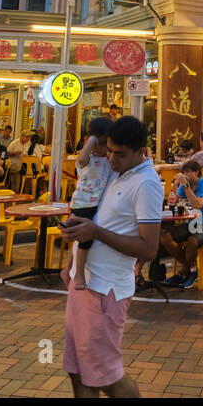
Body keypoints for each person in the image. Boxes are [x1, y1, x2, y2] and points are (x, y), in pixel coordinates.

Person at [57, 116, 163, 397]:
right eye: (110, 150)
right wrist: (72, 257)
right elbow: (95, 216)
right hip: (85, 284)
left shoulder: (146, 183)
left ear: (141, 151)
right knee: (78, 370)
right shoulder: (115, 173)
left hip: (107, 291)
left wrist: (95, 233)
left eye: (120, 154)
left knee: (105, 376)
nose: (112, 158)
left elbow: (149, 249)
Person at [66, 117, 114, 290]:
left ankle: (68, 269)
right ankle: (79, 275)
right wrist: (91, 142)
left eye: (105, 144)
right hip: (83, 204)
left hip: (97, 204)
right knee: (85, 241)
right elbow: (81, 158)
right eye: (98, 143)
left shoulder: (108, 159)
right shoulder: (87, 160)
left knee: (81, 240)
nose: (102, 148)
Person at [158, 160, 203, 289]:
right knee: (164, 235)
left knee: (192, 241)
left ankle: (187, 272)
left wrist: (185, 185)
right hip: (191, 222)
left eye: (187, 172)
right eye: (183, 172)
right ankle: (189, 269)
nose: (185, 174)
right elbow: (173, 203)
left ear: (196, 172)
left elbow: (197, 205)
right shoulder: (184, 186)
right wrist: (175, 185)